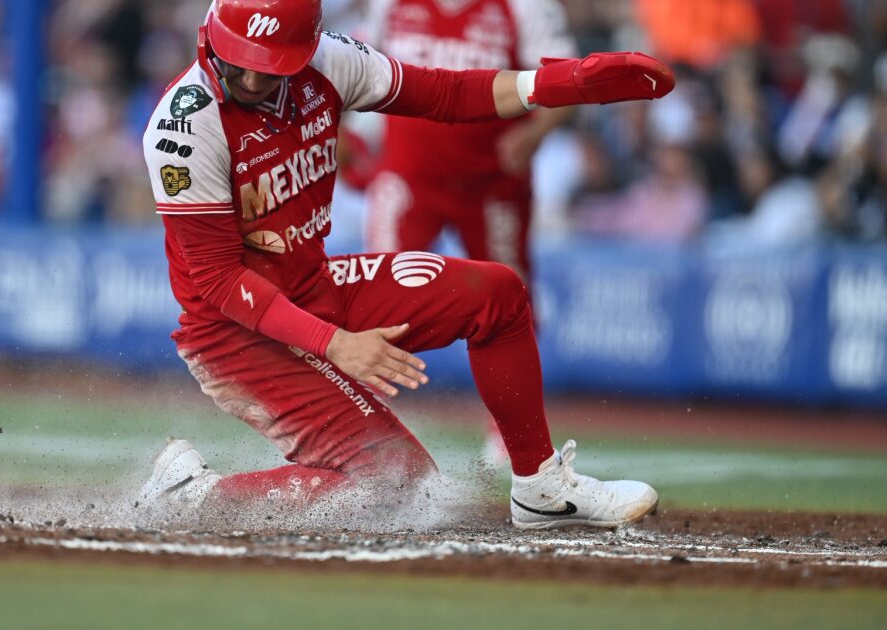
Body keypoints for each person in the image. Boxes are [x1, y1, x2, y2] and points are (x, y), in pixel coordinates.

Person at [139, 0, 674, 529]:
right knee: (400, 483)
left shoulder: (330, 61)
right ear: (210, 35)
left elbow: (445, 93)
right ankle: (191, 497)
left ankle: (540, 488)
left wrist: (561, 85)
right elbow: (219, 280)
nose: (252, 79)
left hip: (313, 285)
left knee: (498, 294)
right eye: (241, 61)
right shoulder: (184, 128)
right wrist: (336, 344)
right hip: (234, 333)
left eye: (271, 65)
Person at [361, 0, 576, 283]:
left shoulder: (527, 6)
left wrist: (537, 133)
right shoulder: (387, 4)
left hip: (492, 182)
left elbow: (568, 80)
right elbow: (356, 66)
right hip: (407, 179)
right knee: (381, 292)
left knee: (508, 299)